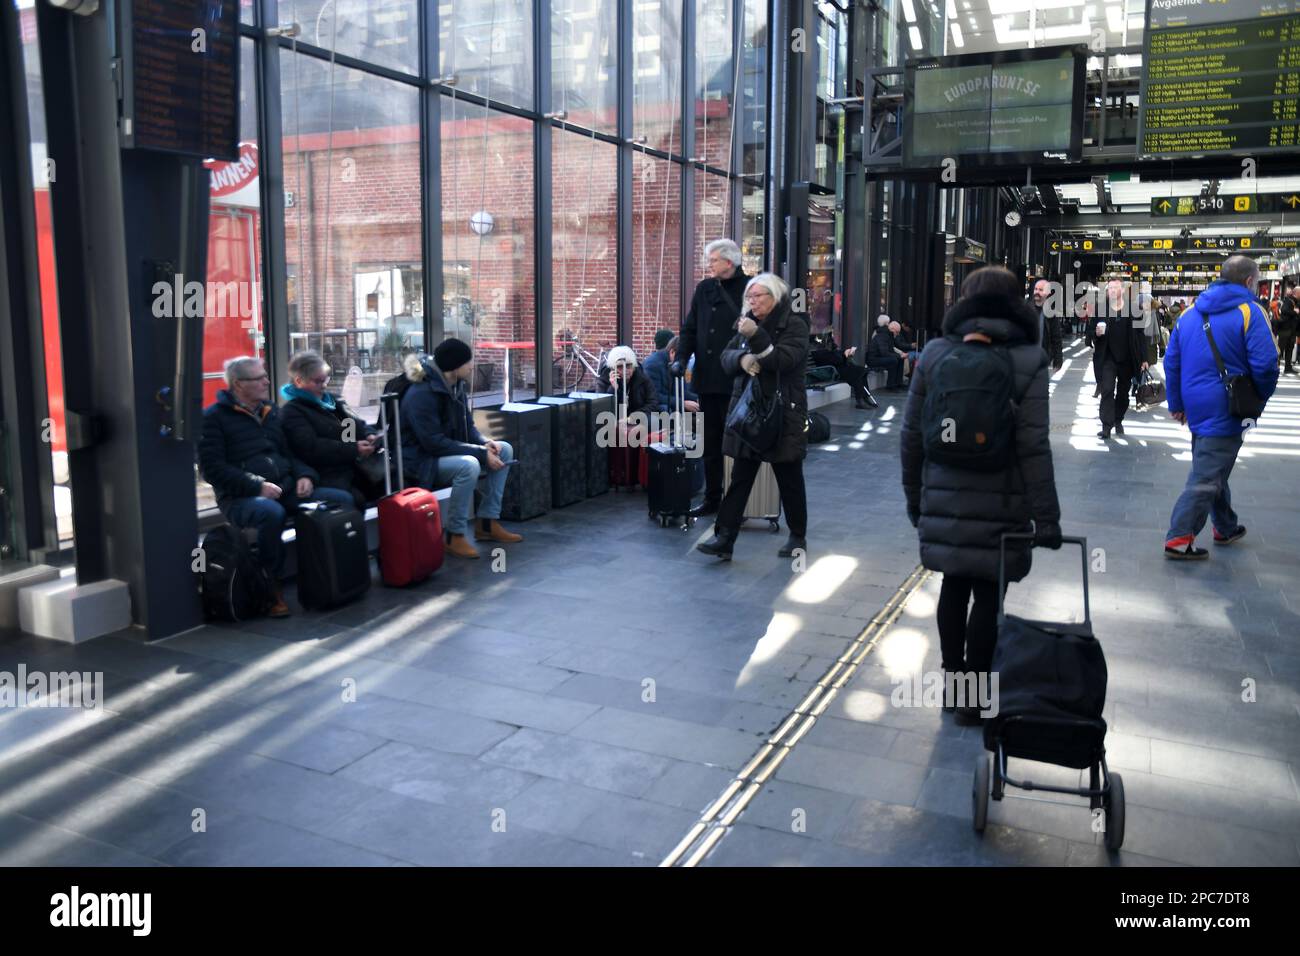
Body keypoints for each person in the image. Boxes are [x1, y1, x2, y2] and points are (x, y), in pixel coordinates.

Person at [899, 266, 1061, 723]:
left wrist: (915, 497)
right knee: (990, 594)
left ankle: (955, 690)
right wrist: (1046, 517)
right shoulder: (1029, 359)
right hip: (1003, 496)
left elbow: (911, 435)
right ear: (1014, 302)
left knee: (953, 587)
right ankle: (976, 698)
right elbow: (1033, 444)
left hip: (945, 493)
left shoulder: (933, 354)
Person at [198, 356, 356, 617]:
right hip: (239, 498)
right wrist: (256, 486)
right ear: (239, 384)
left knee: (340, 499)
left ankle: (330, 572)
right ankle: (271, 587)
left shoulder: (270, 411)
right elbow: (212, 470)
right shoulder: (213, 418)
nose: (266, 381)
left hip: (286, 488)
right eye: (259, 378)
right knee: (270, 513)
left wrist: (306, 476)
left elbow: (290, 454)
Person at [1163, 256, 1280, 559]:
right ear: (1249, 282)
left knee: (1212, 464)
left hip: (1195, 405)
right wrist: (1258, 399)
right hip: (1229, 406)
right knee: (1206, 475)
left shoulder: (1189, 313)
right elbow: (1266, 364)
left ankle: (1225, 526)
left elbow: (1171, 362)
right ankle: (1179, 536)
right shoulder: (1250, 311)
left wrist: (1176, 403)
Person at [696, 273, 810, 560]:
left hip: (783, 414)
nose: (752, 301)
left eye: (758, 296)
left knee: (789, 479)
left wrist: (755, 337)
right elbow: (725, 356)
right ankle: (725, 537)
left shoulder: (794, 325)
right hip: (750, 412)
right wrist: (742, 359)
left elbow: (781, 362)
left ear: (775, 297)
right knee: (740, 479)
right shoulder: (747, 323)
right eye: (750, 296)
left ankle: (797, 536)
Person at [400, 339, 523, 559]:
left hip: (443, 452)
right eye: (468, 361)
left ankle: (486, 521)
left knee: (503, 449)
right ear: (455, 366)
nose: (472, 365)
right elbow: (432, 442)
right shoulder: (422, 393)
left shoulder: (455, 386)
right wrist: (478, 452)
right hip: (420, 460)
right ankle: (454, 534)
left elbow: (468, 425)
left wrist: (484, 442)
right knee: (469, 466)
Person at [675, 238, 750, 518]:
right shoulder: (704, 289)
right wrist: (682, 359)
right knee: (709, 443)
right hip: (708, 380)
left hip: (737, 380)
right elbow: (690, 329)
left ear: (728, 262)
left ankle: (738, 504)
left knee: (738, 445)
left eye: (713, 260)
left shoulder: (750, 289)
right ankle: (712, 498)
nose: (709, 265)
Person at [279, 350, 382, 508]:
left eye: (325, 379)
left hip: (351, 467)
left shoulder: (331, 401)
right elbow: (311, 448)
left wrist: (369, 434)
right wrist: (354, 449)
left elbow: (354, 423)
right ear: (299, 381)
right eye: (318, 381)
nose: (324, 385)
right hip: (326, 474)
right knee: (358, 498)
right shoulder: (292, 412)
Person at [1091, 279, 1148, 439]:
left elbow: (1140, 334)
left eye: (1115, 288)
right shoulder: (1101, 308)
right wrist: (1096, 333)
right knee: (1107, 390)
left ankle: (1118, 419)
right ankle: (1106, 426)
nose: (1112, 291)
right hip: (1107, 357)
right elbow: (1090, 331)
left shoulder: (1135, 309)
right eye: (1110, 288)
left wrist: (1144, 358)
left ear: (1122, 290)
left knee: (1123, 393)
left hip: (1128, 358)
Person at [809, 327, 878, 409]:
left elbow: (836, 354)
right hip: (830, 370)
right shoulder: (817, 348)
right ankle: (860, 400)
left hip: (836, 367)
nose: (834, 335)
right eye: (832, 334)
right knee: (856, 373)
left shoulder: (828, 344)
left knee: (862, 371)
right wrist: (844, 355)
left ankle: (865, 397)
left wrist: (846, 352)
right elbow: (832, 360)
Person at [641, 333, 700, 413]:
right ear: (672, 352)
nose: (686, 360)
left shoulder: (677, 365)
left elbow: (683, 391)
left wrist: (699, 399)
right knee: (666, 410)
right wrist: (682, 403)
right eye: (683, 356)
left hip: (672, 403)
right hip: (655, 408)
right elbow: (654, 396)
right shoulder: (653, 365)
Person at [1028, 276, 1063, 371]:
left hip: (1042, 359)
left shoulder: (1051, 313)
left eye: (1040, 290)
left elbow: (1056, 337)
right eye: (1035, 289)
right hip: (1025, 358)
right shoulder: (1025, 310)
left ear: (1048, 293)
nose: (1037, 292)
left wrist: (1058, 360)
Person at [866, 314, 905, 390]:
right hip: (873, 358)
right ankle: (891, 385)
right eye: (897, 332)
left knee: (899, 358)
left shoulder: (888, 335)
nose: (897, 334)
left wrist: (899, 355)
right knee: (893, 360)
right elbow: (884, 352)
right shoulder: (883, 335)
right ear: (893, 329)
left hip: (879, 356)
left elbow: (889, 350)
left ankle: (898, 383)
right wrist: (898, 355)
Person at [1277, 284, 1298, 375]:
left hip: (1291, 330)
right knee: (1280, 349)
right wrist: (1295, 312)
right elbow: (1284, 310)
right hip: (1285, 330)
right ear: (1296, 293)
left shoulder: (1295, 301)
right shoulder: (1289, 301)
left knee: (1290, 349)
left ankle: (1288, 367)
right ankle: (1274, 366)